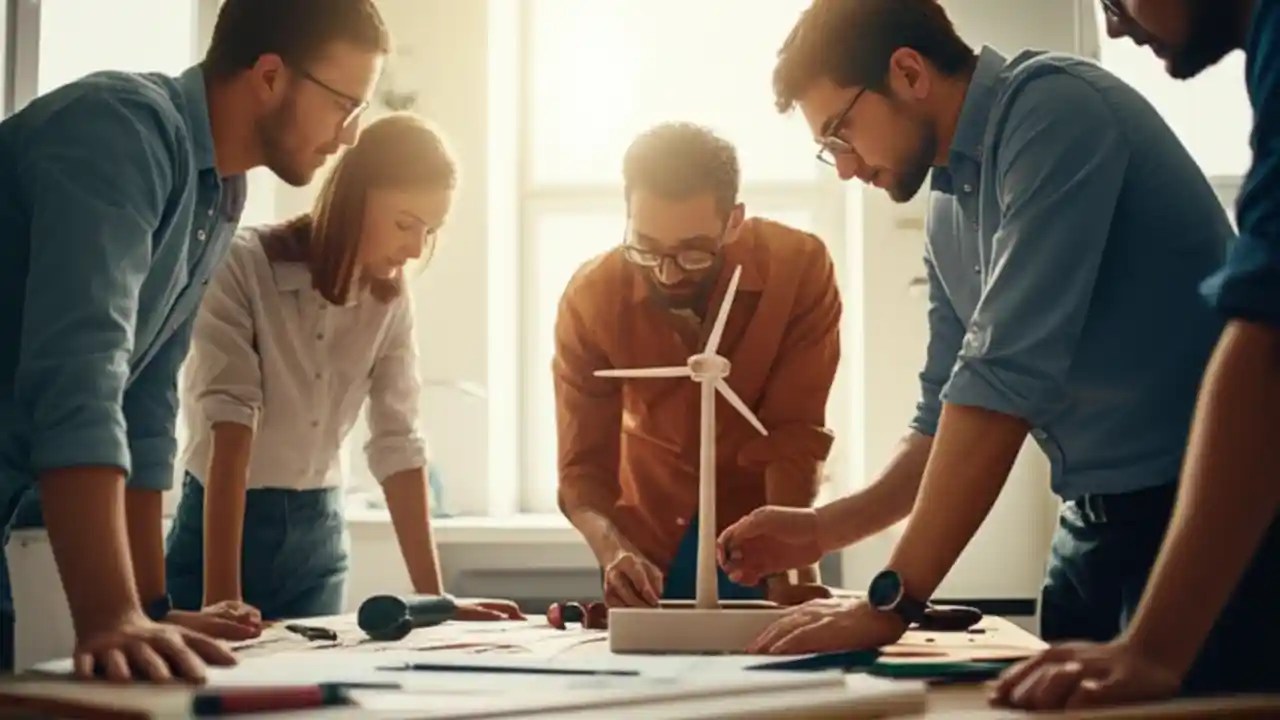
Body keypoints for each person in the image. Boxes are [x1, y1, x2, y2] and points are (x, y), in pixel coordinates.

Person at [717, 0, 1238, 666]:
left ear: (908, 72)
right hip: (1091, 525)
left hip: (1207, 518)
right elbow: (942, 416)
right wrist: (822, 530)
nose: (845, 167)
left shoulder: (1055, 110)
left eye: (841, 133)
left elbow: (1003, 378)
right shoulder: (946, 207)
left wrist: (888, 603)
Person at [0, 0, 389, 682]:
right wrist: (109, 615)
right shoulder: (121, 131)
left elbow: (146, 403)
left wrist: (150, 610)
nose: (351, 136)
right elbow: (80, 378)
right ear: (269, 76)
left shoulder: (220, 192)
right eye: (344, 105)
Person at [990, 0, 1280, 709]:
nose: (1115, 25)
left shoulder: (1057, 106)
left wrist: (1153, 647)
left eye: (1116, 0)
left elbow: (1270, 334)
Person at [165, 113, 524, 624]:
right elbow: (231, 422)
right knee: (211, 671)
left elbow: (398, 442)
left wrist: (436, 602)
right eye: (405, 224)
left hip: (319, 534)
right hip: (218, 527)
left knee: (316, 674)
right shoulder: (240, 263)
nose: (415, 249)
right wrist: (220, 595)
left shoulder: (391, 299)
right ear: (355, 198)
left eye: (429, 231)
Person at [554, 122, 842, 608]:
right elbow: (582, 468)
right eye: (645, 247)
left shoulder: (798, 268)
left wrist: (786, 567)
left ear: (733, 221)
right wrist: (614, 551)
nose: (667, 273)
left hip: (760, 534)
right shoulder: (592, 297)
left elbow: (795, 434)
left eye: (692, 253)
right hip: (649, 540)